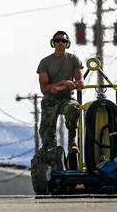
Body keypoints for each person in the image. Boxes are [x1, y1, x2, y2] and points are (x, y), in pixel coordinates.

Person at [36, 30, 84, 158]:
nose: (60, 43)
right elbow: (44, 88)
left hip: (66, 99)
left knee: (74, 109)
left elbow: (80, 82)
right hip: (50, 100)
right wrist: (63, 83)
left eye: (63, 41)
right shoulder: (45, 62)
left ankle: (72, 141)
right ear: (53, 43)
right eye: (57, 41)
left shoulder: (73, 59)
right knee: (47, 135)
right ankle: (49, 151)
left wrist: (72, 84)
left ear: (67, 43)